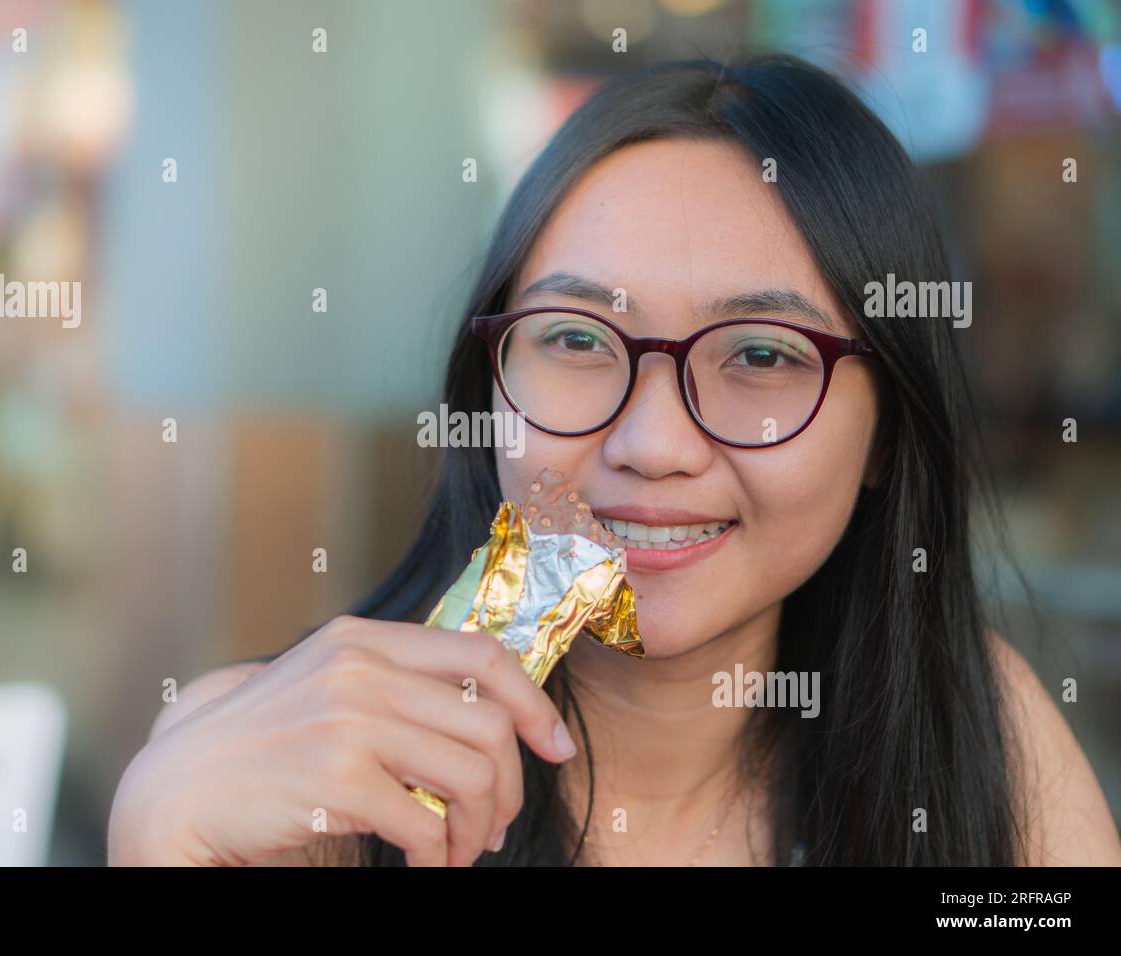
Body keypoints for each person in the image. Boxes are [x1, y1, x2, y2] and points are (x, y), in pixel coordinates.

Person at [108, 54, 1121, 867]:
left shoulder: (971, 734)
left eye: (761, 357)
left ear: (886, 437)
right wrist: (160, 836)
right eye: (578, 340)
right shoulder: (302, 774)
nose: (652, 445)